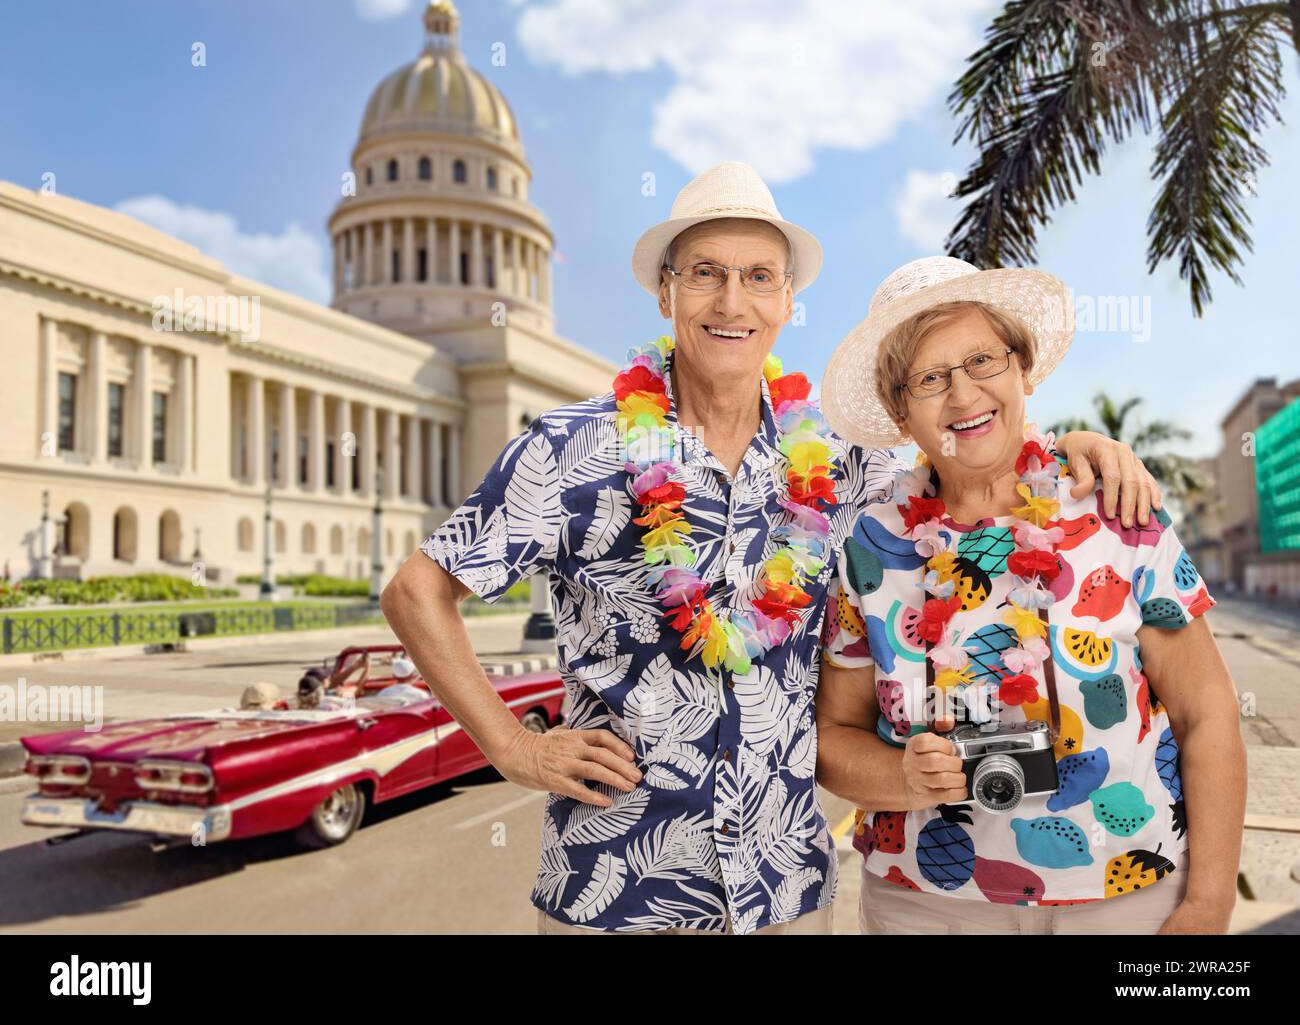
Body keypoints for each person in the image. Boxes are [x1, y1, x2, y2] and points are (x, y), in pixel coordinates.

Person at [380, 162, 1162, 935]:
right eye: (705, 274)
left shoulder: (840, 457)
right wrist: (515, 746)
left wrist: (1075, 449)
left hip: (786, 887)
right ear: (666, 292)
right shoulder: (572, 448)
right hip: (617, 888)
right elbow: (417, 591)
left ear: (788, 300)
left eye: (759, 276)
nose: (732, 300)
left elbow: (965, 456)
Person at [815, 256, 1245, 934]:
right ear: (902, 412)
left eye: (982, 359)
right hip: (926, 903)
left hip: (1127, 894)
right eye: (930, 378)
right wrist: (904, 777)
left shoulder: (1118, 512)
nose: (962, 396)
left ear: (1022, 368)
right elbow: (831, 736)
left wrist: (1208, 902)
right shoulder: (871, 547)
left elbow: (1210, 714)